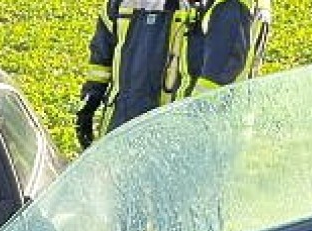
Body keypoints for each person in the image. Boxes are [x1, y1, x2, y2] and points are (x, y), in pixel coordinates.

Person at [76, 0, 272, 148]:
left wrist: (188, 135)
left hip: (200, 143)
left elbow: (219, 75)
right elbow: (104, 49)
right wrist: (91, 98)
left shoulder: (229, 6)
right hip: (125, 133)